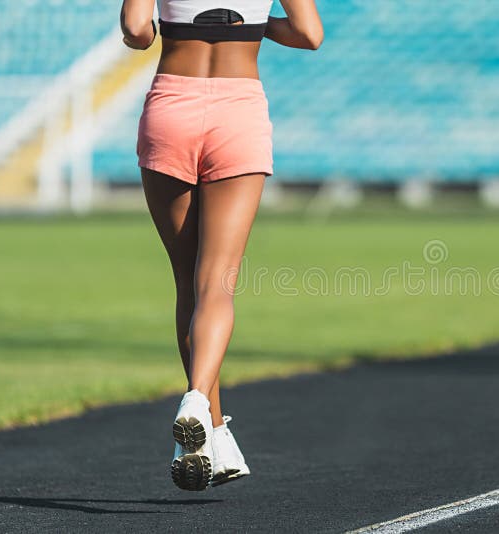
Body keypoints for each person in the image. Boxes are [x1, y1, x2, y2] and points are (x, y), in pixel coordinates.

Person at [119, 0, 323, 491]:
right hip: (238, 113)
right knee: (218, 284)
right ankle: (199, 407)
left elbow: (136, 31)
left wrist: (164, 29)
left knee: (187, 284)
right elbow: (309, 34)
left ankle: (212, 428)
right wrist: (254, 25)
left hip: (171, 107)